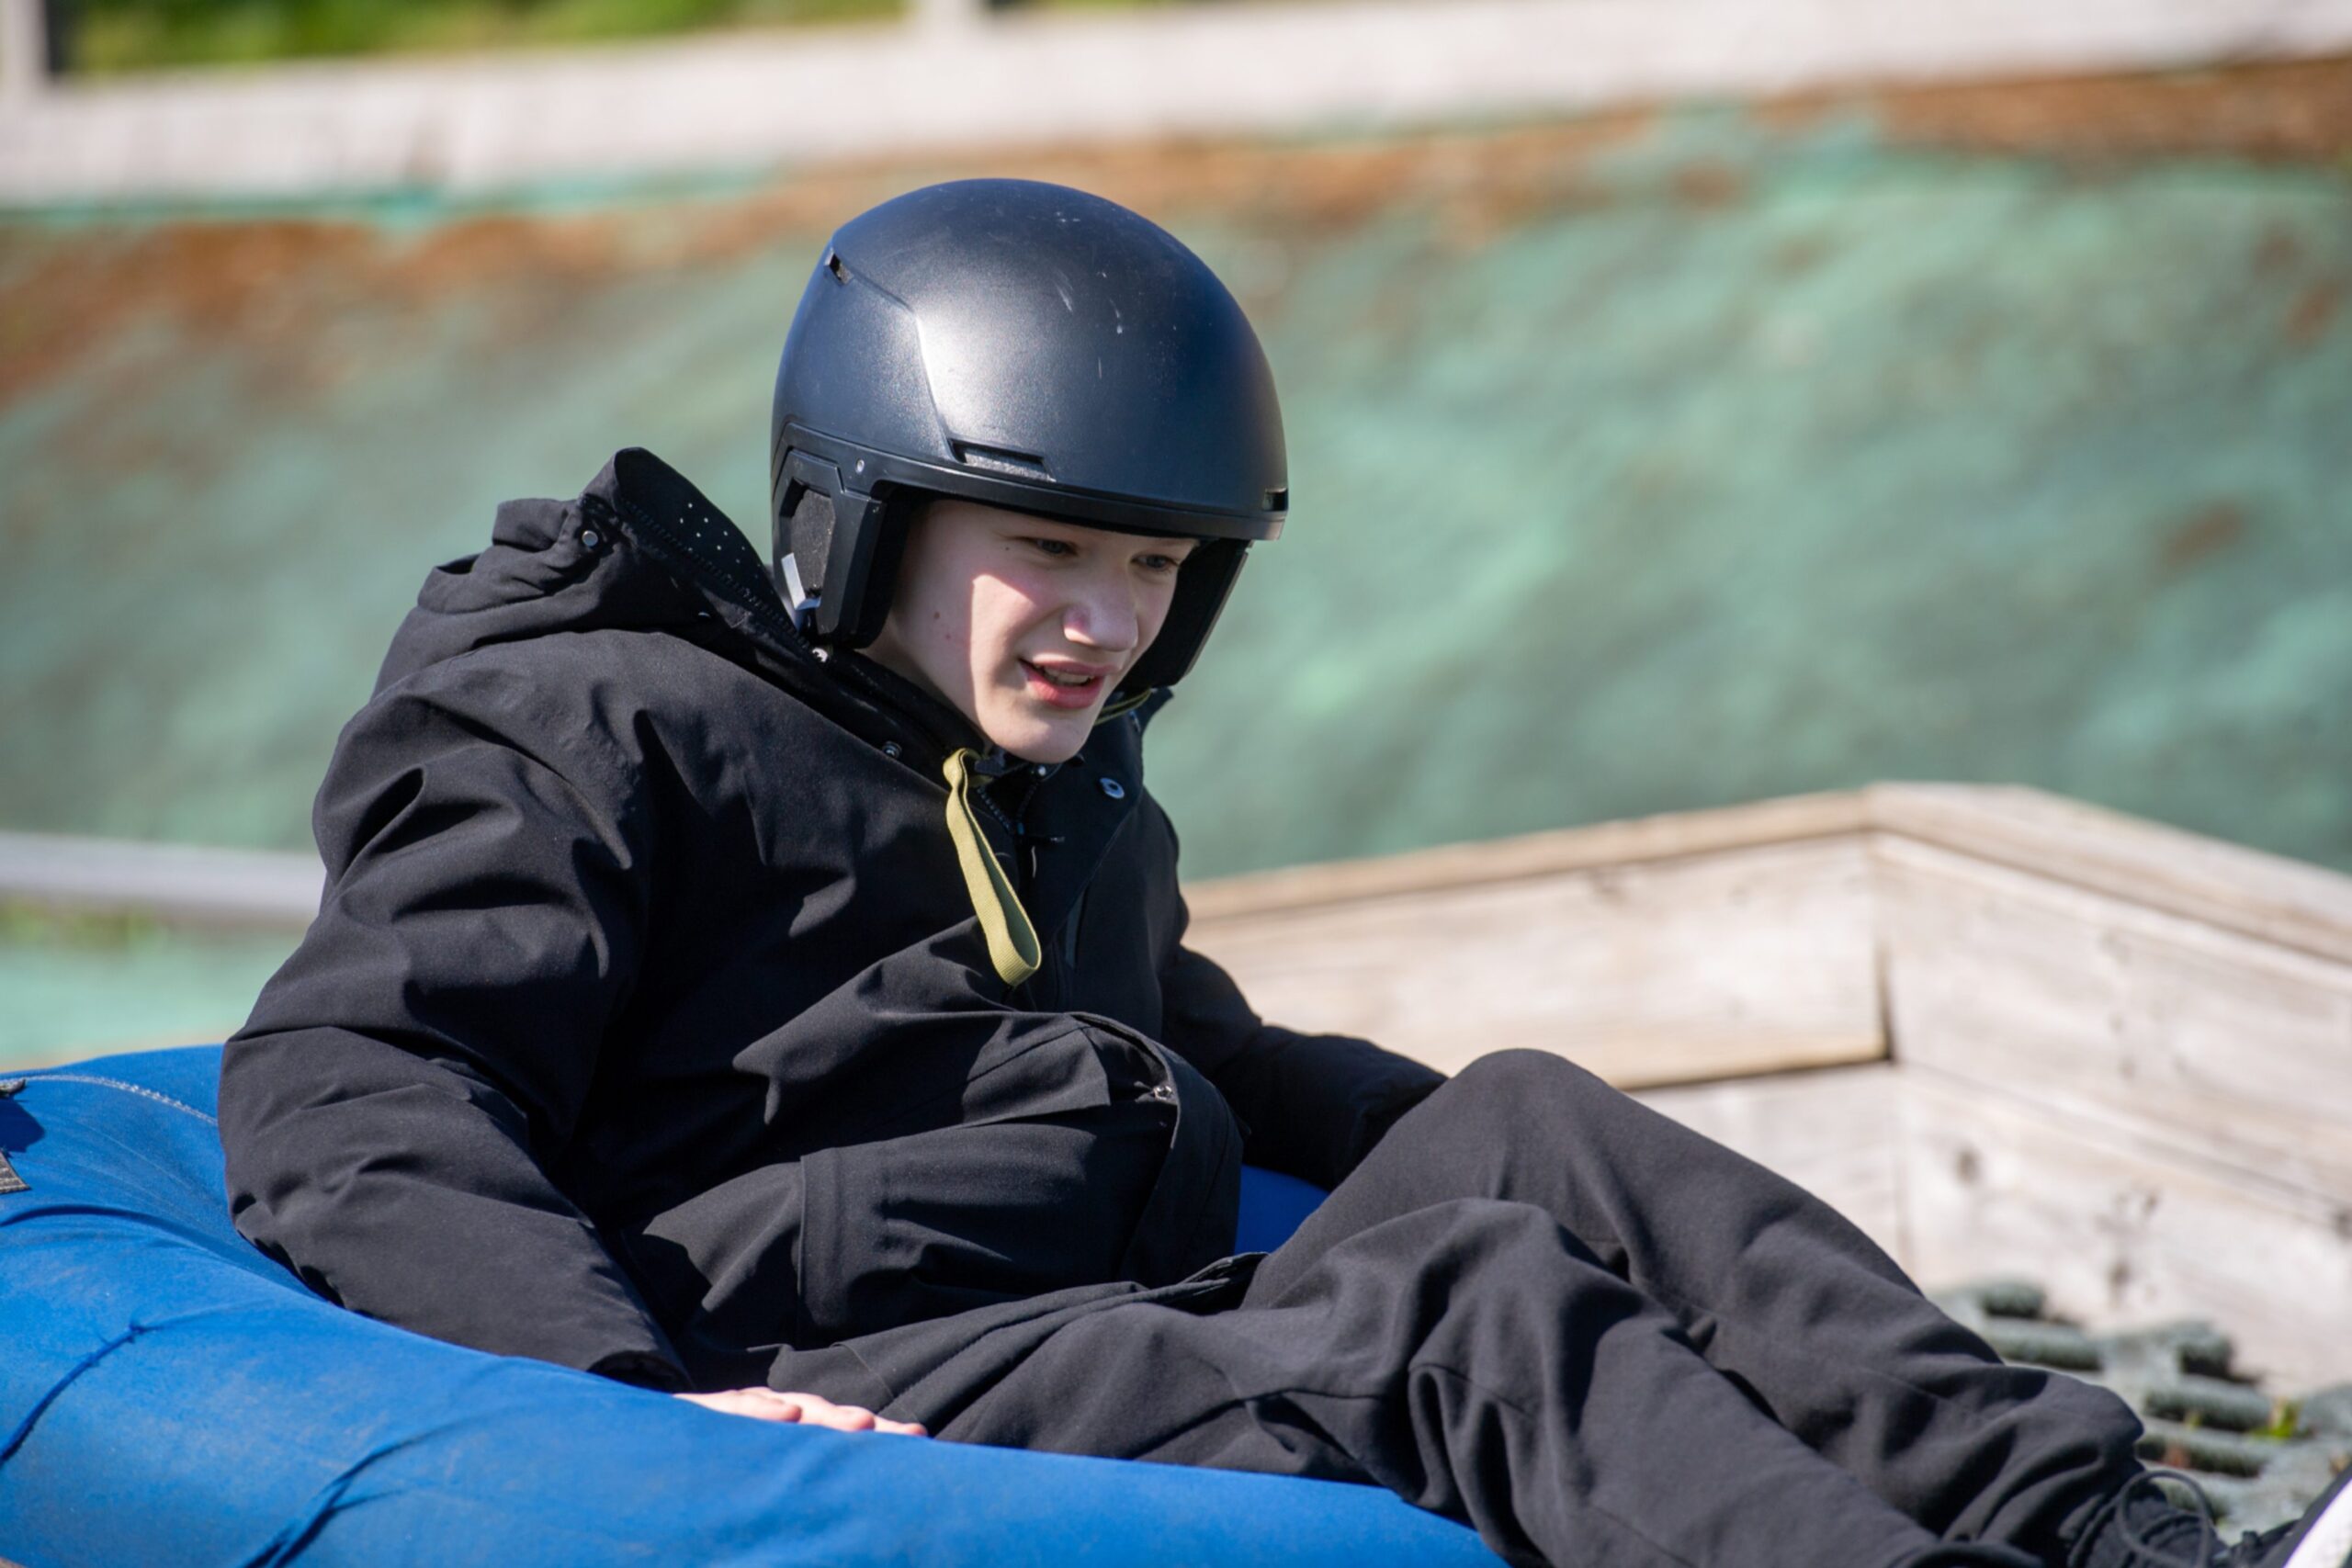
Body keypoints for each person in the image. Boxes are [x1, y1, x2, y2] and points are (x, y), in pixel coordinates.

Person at [218, 178, 2352, 1568]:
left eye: (1152, 567)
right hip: (816, 1347)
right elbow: (350, 1085)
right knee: (1452, 1300)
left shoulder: (1042, 790)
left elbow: (1167, 1037)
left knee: (1516, 1123)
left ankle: (2124, 1540)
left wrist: (1496, 1145)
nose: (1107, 619)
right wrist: (643, 1407)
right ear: (862, 517)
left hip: (1079, 1300)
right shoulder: (599, 727)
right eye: (1045, 548)